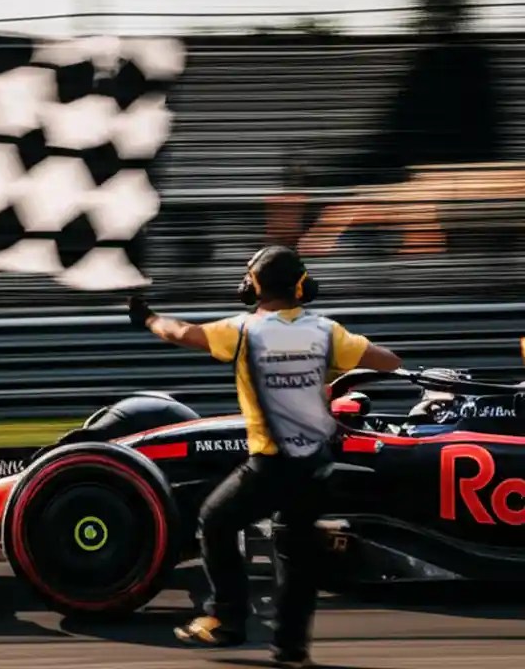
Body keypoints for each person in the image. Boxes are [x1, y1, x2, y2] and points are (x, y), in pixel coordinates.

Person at [126, 245, 402, 668]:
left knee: (214, 521)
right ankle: (291, 650)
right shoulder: (325, 332)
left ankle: (225, 619)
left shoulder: (243, 331)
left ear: (252, 286)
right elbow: (388, 361)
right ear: (302, 286)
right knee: (296, 552)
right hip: (315, 462)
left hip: (271, 462)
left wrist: (148, 318)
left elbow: (180, 333)